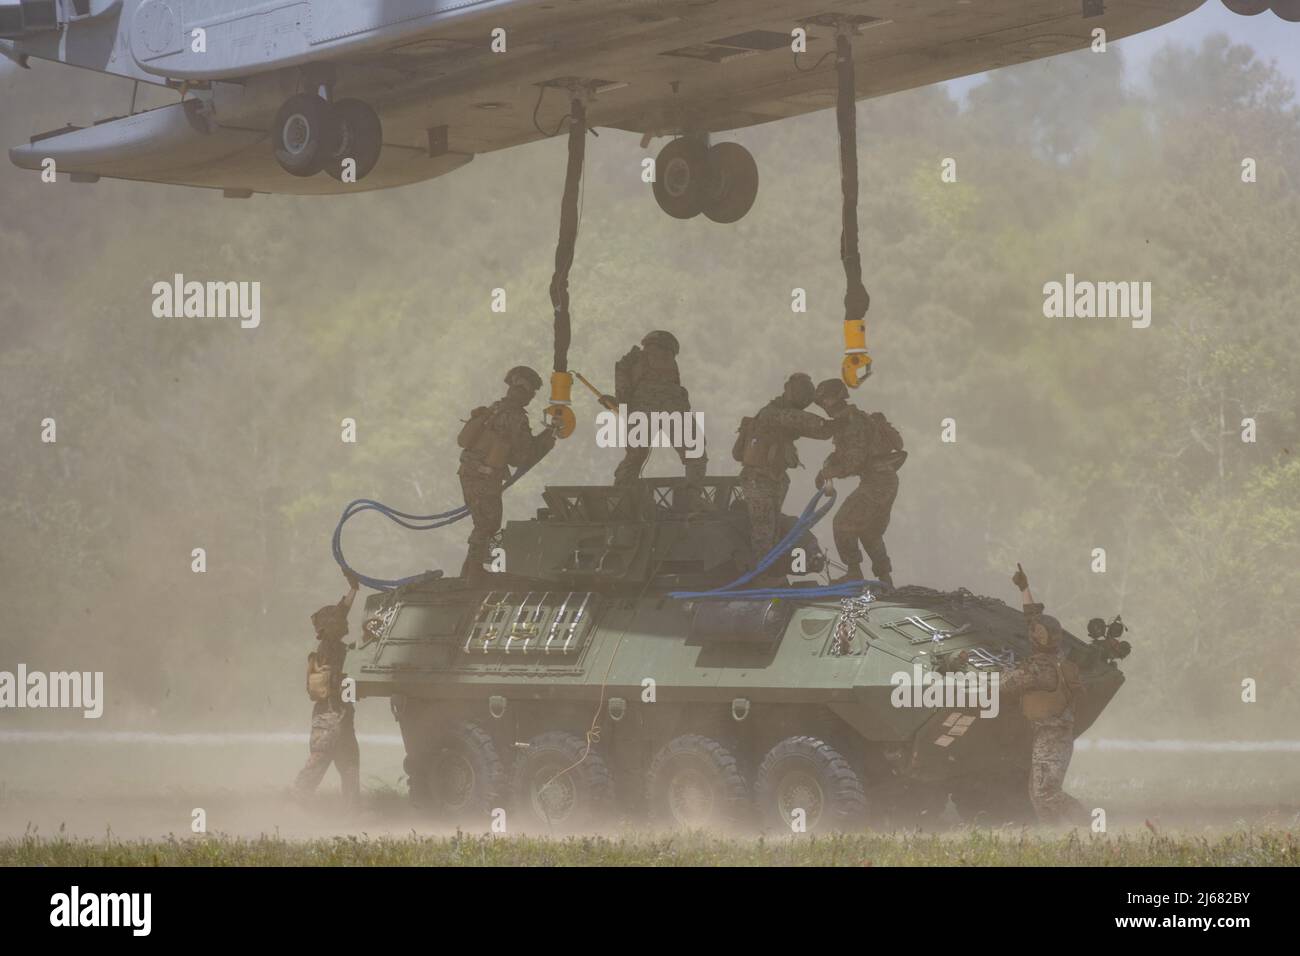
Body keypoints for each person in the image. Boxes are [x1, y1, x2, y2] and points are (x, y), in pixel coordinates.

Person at [997, 564, 1089, 826]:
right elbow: (1034, 621)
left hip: (1052, 735)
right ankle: (1054, 833)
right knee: (1038, 794)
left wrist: (1003, 668)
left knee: (1045, 792)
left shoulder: (1037, 670)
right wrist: (1024, 588)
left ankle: (1087, 823)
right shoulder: (1058, 657)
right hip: (1054, 732)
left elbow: (1005, 685)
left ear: (1036, 641)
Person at [457, 366, 556, 579]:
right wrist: (549, 437)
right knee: (488, 524)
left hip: (469, 472)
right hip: (485, 477)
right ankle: (473, 572)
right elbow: (522, 457)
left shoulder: (494, 408)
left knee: (483, 522)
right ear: (525, 392)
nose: (530, 398)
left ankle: (468, 571)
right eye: (531, 393)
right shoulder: (515, 417)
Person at [734, 372, 834, 576]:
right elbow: (806, 423)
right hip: (758, 479)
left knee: (773, 527)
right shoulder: (773, 413)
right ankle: (763, 574)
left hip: (774, 478)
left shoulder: (782, 413)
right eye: (802, 393)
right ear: (789, 390)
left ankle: (769, 572)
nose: (804, 400)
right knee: (764, 529)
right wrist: (834, 425)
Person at [812, 378, 905, 588]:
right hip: (884, 480)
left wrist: (827, 472)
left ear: (833, 399)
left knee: (843, 524)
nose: (823, 406)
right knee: (869, 531)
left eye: (824, 400)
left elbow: (855, 461)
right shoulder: (851, 420)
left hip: (877, 482)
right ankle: (885, 579)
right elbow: (846, 454)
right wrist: (830, 464)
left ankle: (854, 574)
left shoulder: (851, 421)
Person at [293, 568, 362, 810]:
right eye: (336, 622)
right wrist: (352, 590)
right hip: (329, 714)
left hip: (340, 713)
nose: (343, 624)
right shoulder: (329, 647)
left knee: (350, 763)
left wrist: (353, 590)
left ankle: (352, 811)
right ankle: (298, 802)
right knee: (320, 759)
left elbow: (340, 613)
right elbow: (340, 614)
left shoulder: (332, 645)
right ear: (329, 628)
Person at [610, 330, 707, 493]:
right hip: (672, 406)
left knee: (635, 456)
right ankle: (691, 497)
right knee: (695, 453)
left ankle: (621, 496)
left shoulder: (634, 358)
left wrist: (622, 402)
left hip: (643, 408)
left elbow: (623, 388)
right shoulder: (669, 363)